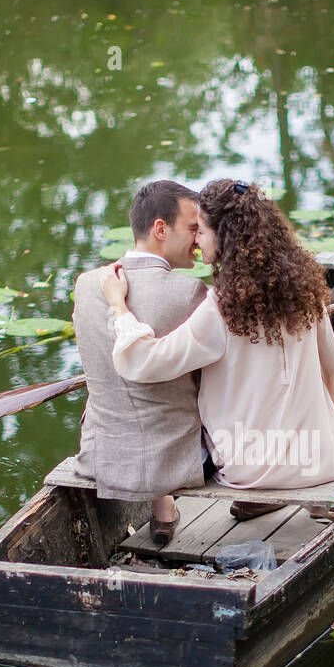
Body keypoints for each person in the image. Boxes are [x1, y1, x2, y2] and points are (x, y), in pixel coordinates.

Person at [99, 178, 334, 527]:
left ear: (226, 238)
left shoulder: (221, 307)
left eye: (203, 231)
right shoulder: (307, 293)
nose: (196, 239)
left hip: (251, 468)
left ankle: (253, 500)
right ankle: (307, 496)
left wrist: (119, 306)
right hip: (322, 459)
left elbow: (148, 361)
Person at [71, 180, 206, 546]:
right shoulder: (192, 293)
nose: (199, 239)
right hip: (175, 461)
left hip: (101, 456)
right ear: (161, 229)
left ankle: (164, 511)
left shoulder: (86, 285)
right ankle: (245, 501)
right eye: (193, 228)